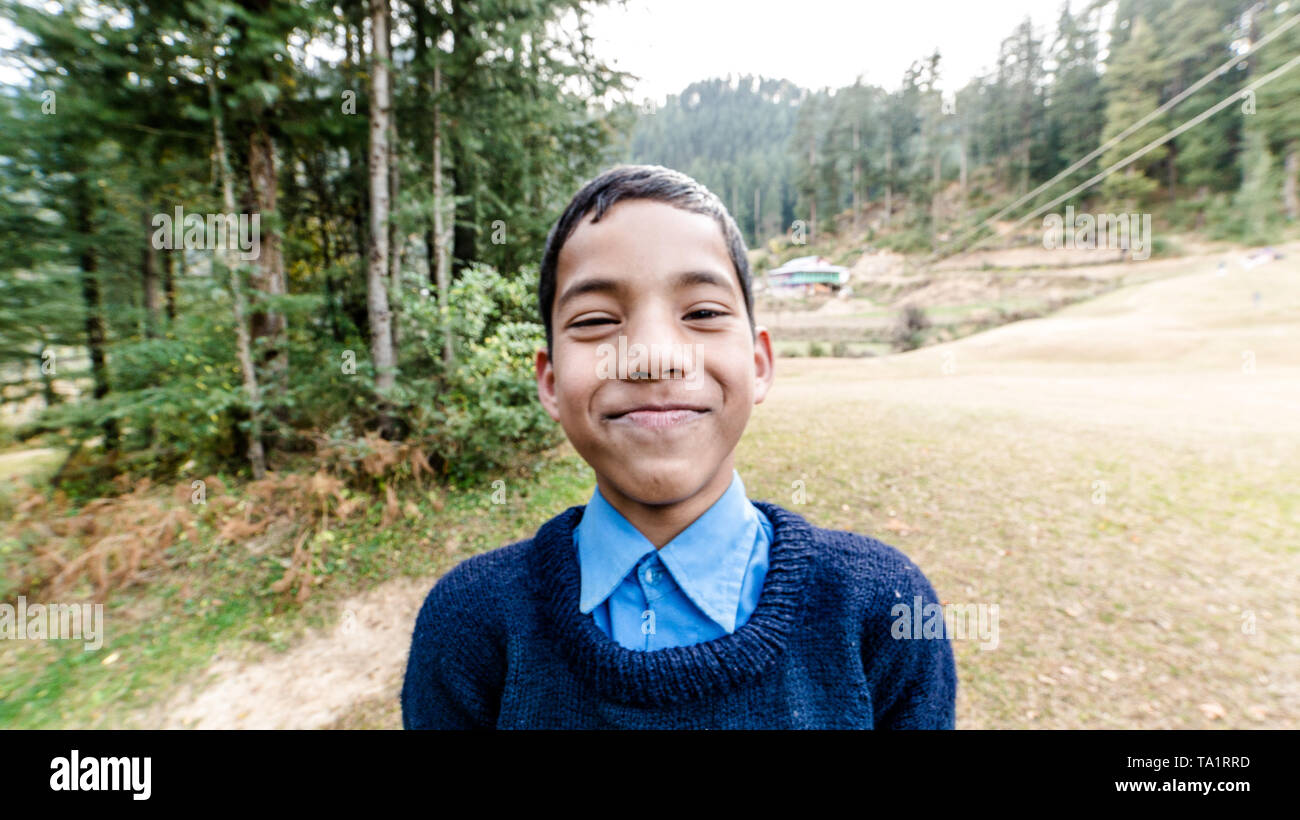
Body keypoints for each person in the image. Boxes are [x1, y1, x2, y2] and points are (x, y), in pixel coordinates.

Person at [400, 164, 956, 729]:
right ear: (549, 382)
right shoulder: (468, 624)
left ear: (759, 364)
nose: (654, 356)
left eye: (703, 313)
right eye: (595, 320)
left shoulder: (884, 609)